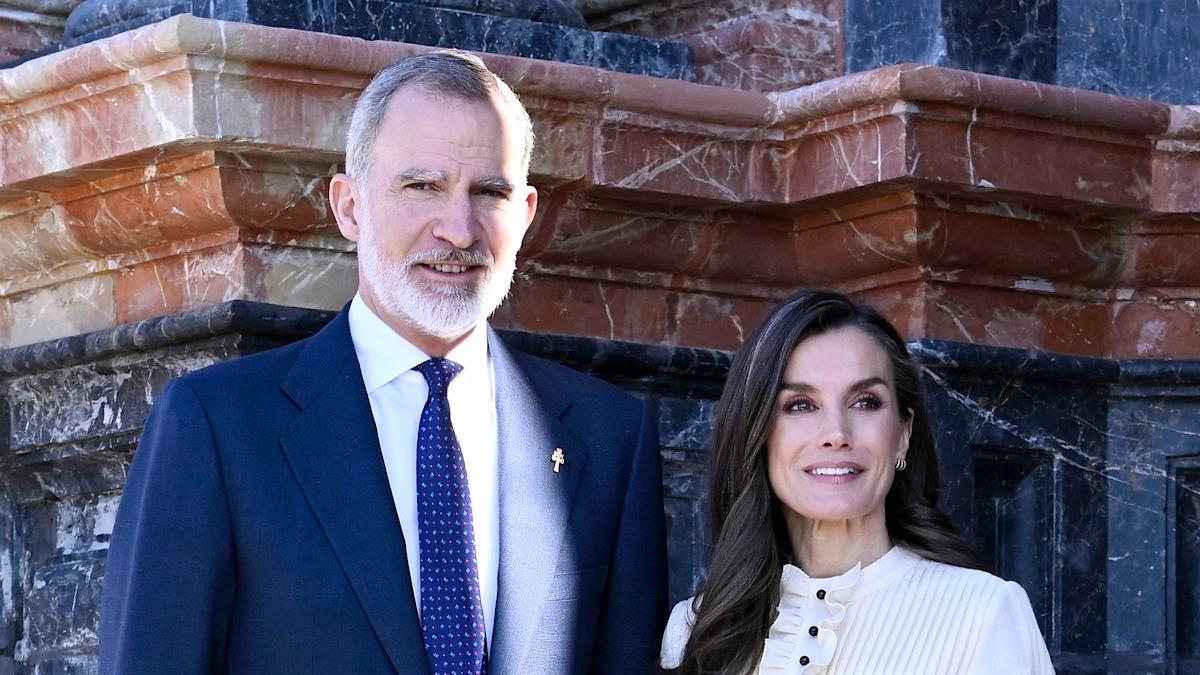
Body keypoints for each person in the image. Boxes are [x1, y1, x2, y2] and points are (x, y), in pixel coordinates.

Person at [99, 50, 667, 675]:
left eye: (490, 192)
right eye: (422, 186)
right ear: (349, 207)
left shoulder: (609, 439)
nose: (459, 230)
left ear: (526, 215)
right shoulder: (218, 426)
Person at [660, 290, 1053, 674]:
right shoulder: (695, 628)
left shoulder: (984, 613)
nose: (836, 433)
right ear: (756, 434)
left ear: (903, 433)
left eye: (865, 402)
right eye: (800, 405)